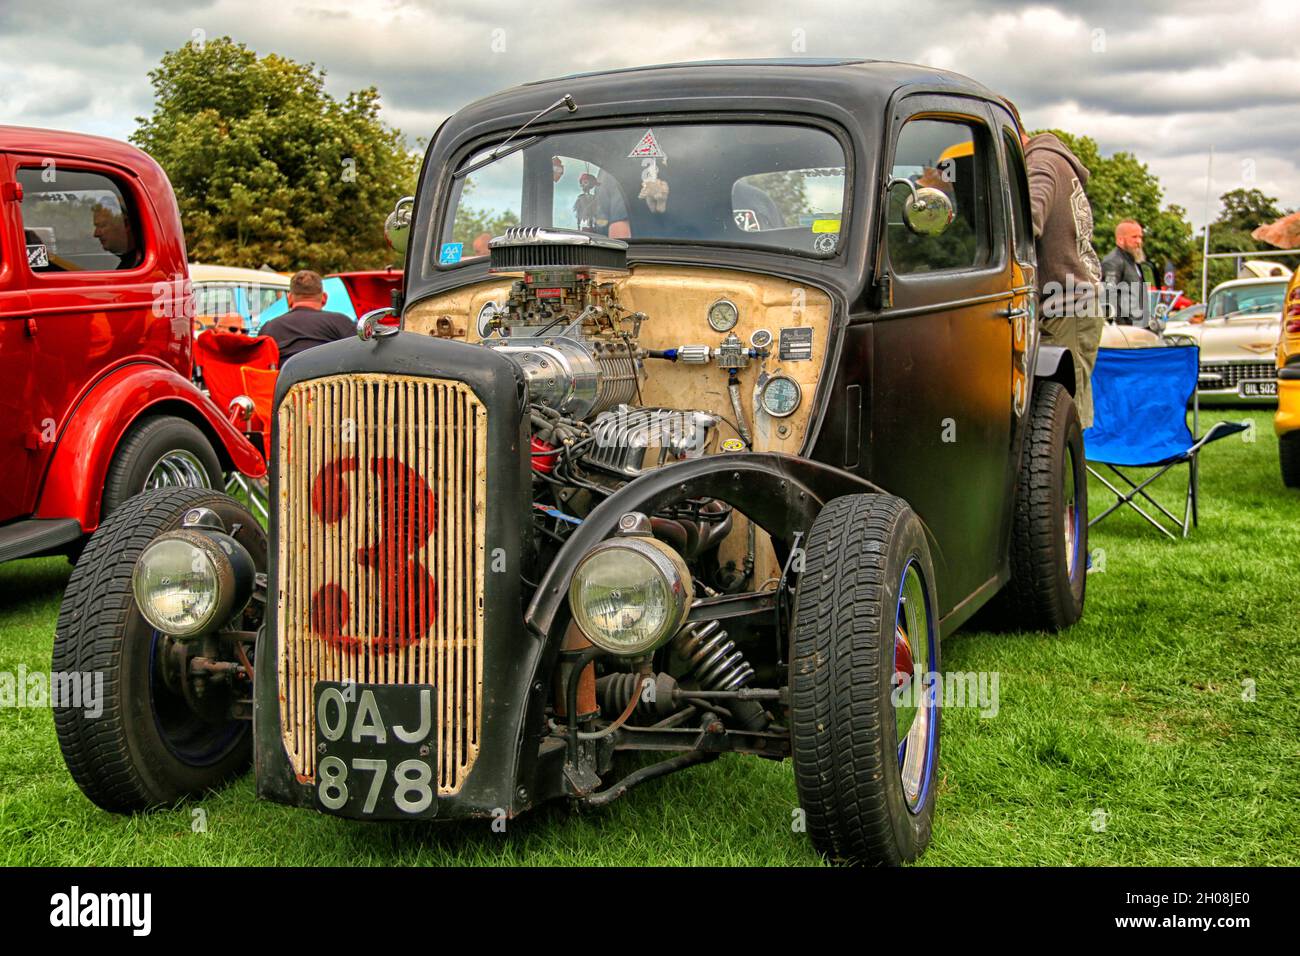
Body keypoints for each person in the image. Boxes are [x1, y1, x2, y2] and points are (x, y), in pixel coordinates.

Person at [1004, 98, 1105, 428]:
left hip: (1067, 306)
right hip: (1074, 304)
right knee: (1059, 416)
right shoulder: (1054, 160)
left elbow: (1027, 220)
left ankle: (1065, 480)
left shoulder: (1040, 162)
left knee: (1060, 420)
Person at [260, 270, 354, 363]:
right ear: (324, 298)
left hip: (285, 377)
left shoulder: (269, 328)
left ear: (289, 298)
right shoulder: (342, 322)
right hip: (330, 377)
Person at [1101, 220, 1155, 328]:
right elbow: (1108, 298)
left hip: (1138, 329)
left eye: (1141, 237)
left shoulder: (1134, 262)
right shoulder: (1113, 262)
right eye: (1134, 237)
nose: (1139, 241)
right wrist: (1122, 328)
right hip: (1126, 332)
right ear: (1120, 240)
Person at [91, 200, 141, 269]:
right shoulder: (135, 263)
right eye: (96, 226)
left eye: (102, 225)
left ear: (125, 224)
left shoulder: (139, 265)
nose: (96, 234)